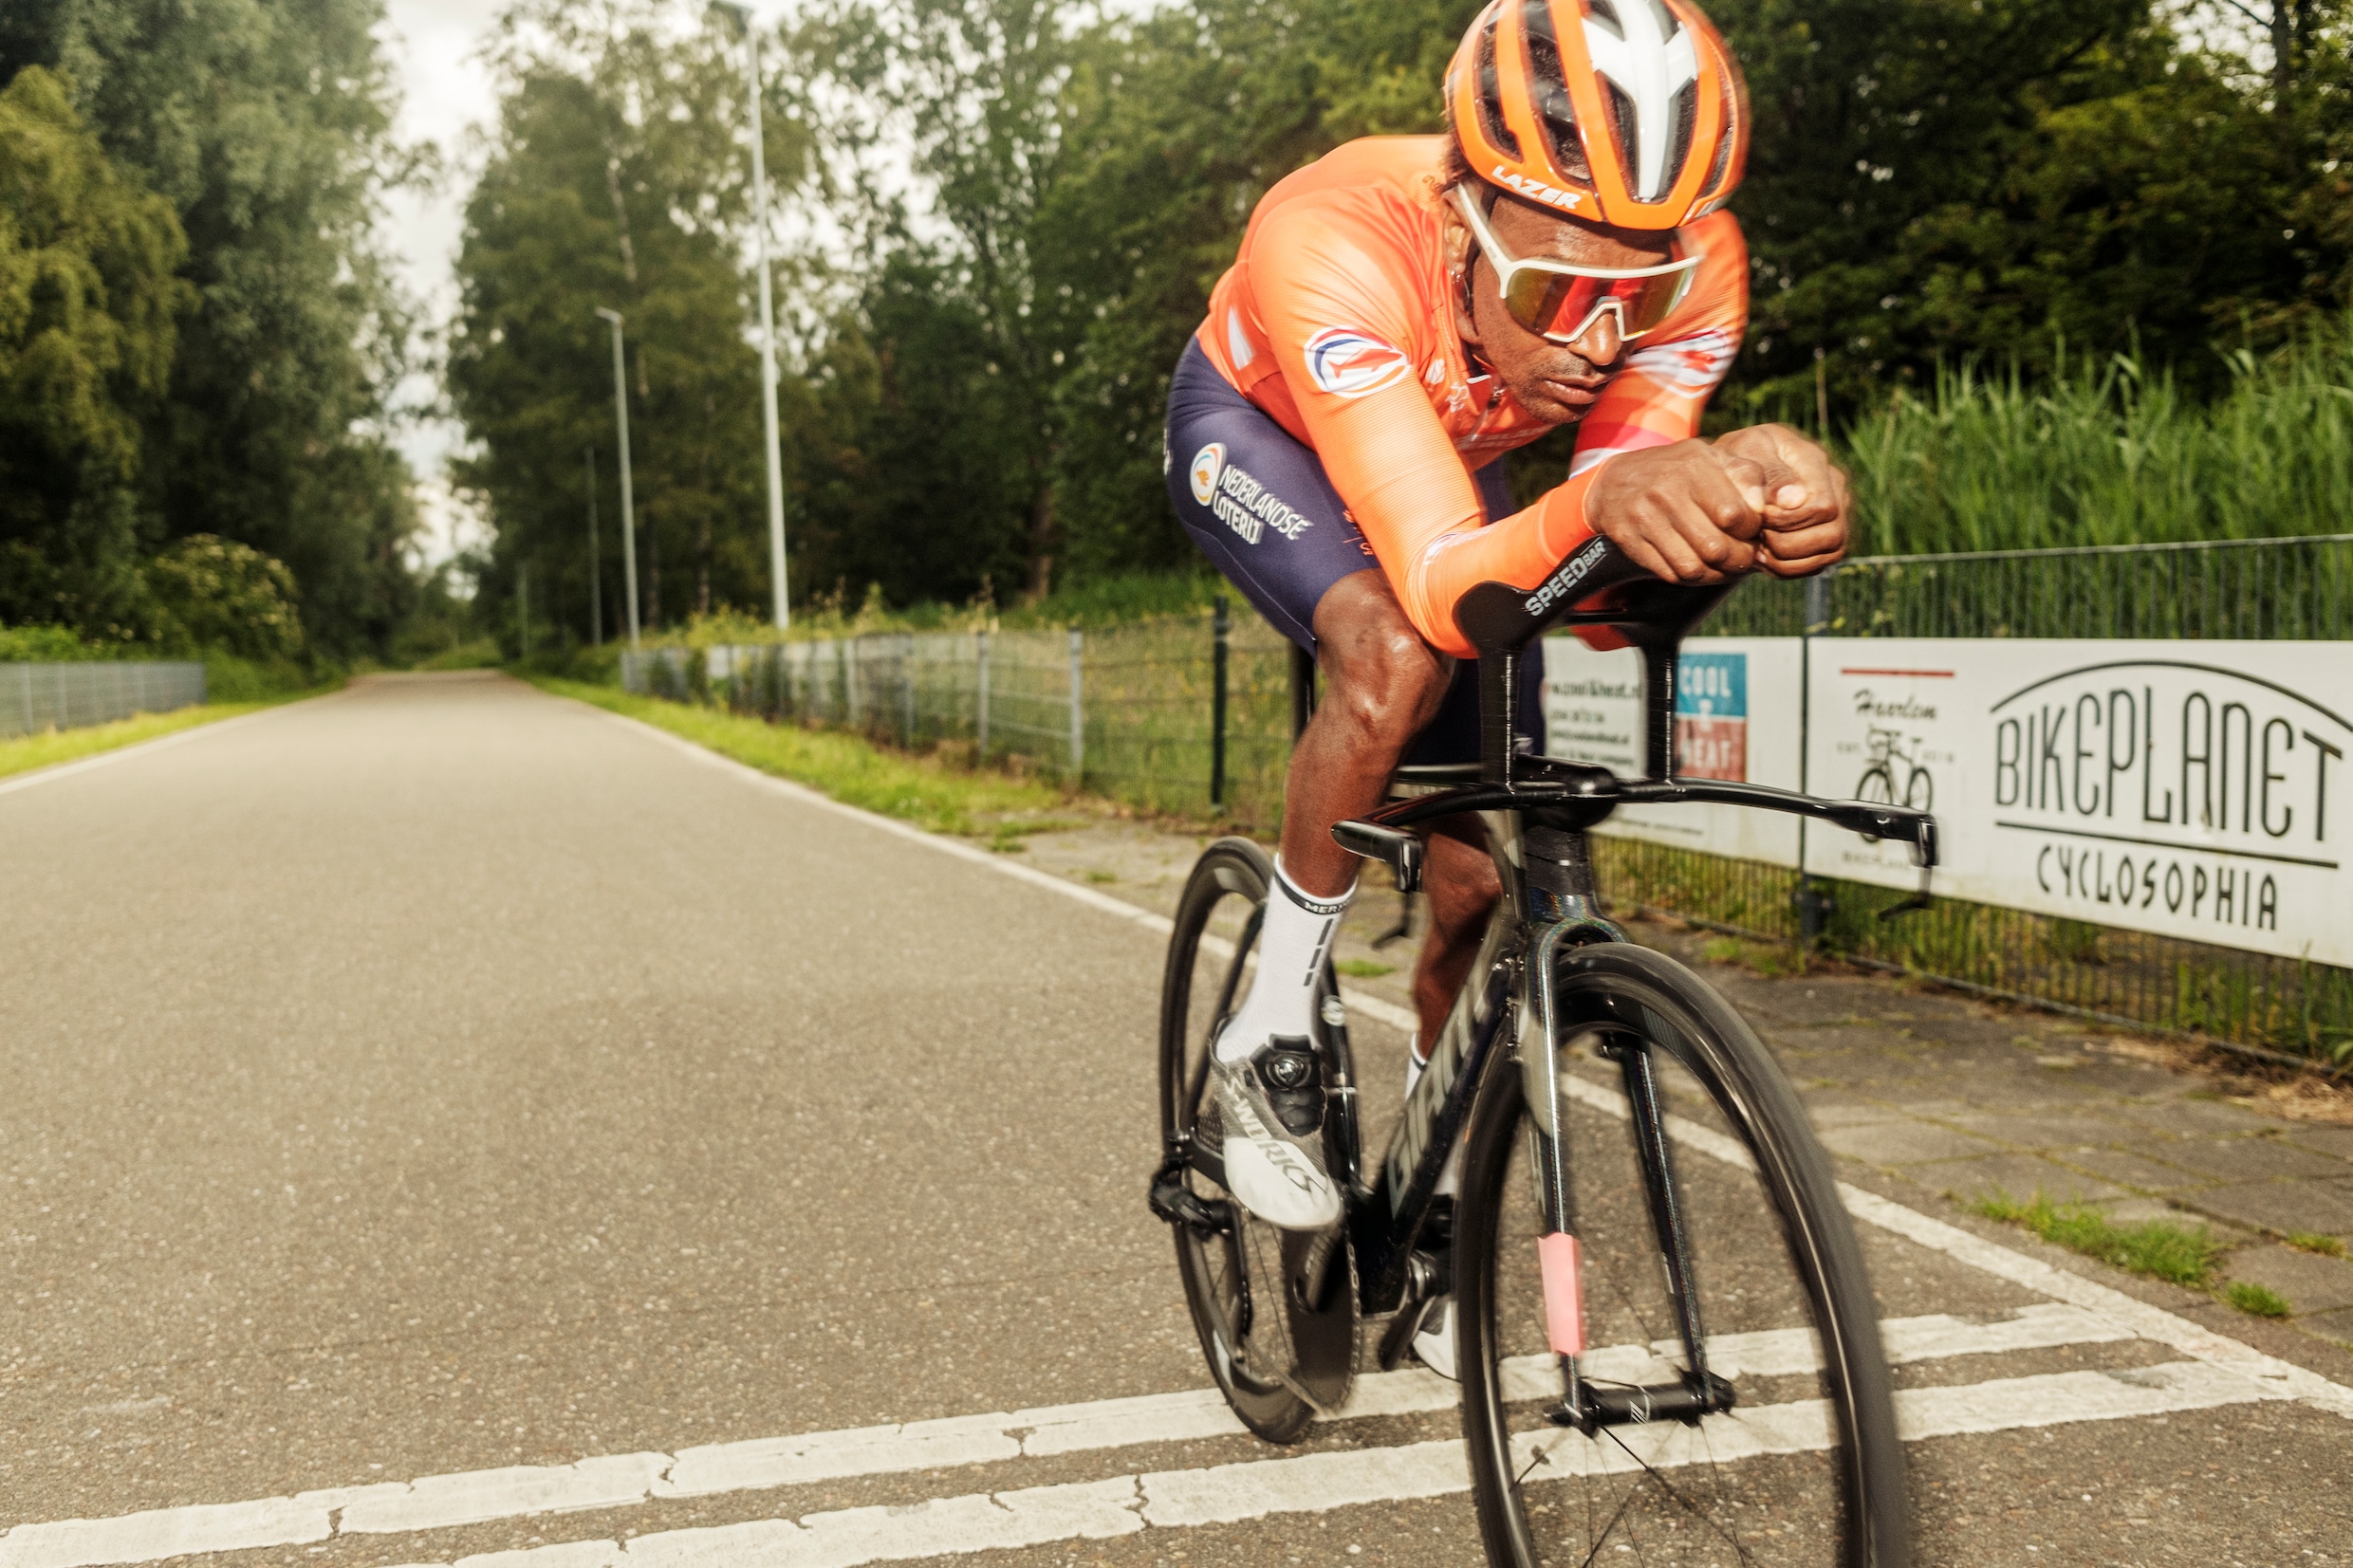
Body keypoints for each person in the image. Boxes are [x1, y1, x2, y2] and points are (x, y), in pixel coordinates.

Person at [1162, 0, 1851, 1372]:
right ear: (1465, 212)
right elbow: (1438, 589)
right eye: (1554, 291)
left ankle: (1427, 1192)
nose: (1600, 339)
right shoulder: (1334, 234)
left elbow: (1594, 581)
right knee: (1394, 655)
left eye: (1640, 295)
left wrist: (1742, 505)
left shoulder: (1702, 265)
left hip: (1445, 459)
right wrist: (1602, 502)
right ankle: (1270, 1026)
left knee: (1478, 878)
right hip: (1264, 424)